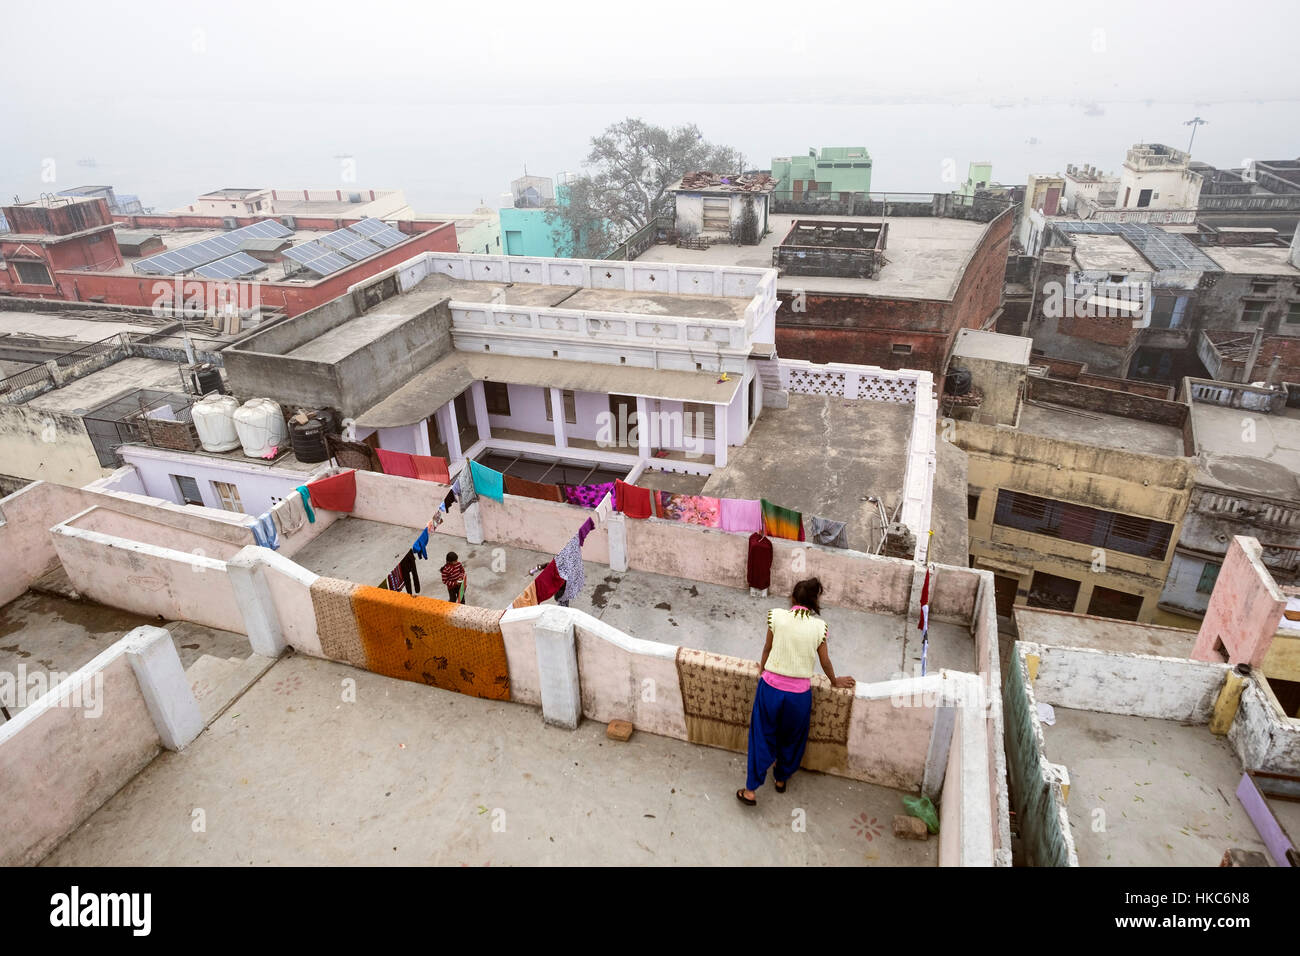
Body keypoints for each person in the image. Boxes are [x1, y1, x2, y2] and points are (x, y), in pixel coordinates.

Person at [737, 577, 854, 806]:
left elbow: (767, 649)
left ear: (792, 598)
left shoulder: (776, 616)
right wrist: (834, 681)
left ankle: (751, 790)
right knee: (792, 738)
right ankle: (780, 779)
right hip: (799, 696)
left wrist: (763, 671)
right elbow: (825, 661)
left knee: (762, 736)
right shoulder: (820, 627)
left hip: (770, 689)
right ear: (814, 603)